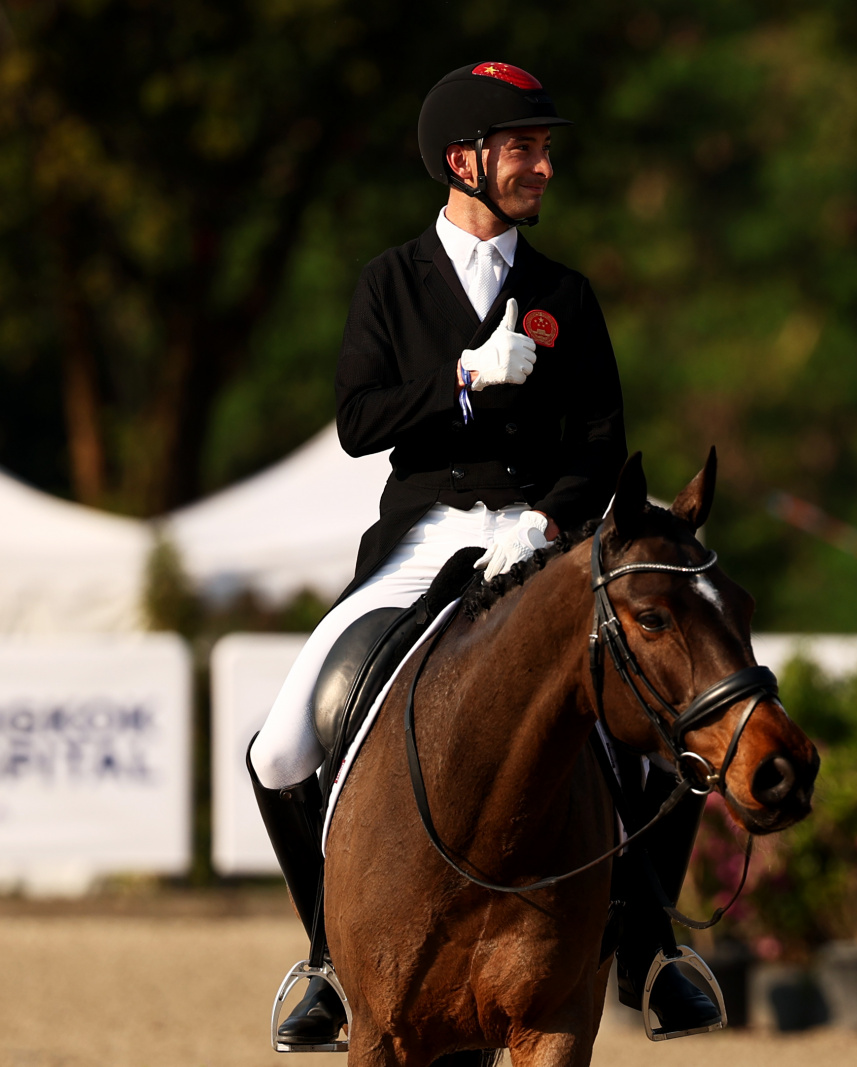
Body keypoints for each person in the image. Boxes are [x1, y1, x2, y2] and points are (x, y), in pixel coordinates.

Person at [248, 61, 721, 1049]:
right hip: (423, 536)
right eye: (525, 148)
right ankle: (328, 962)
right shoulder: (390, 282)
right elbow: (356, 418)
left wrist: (549, 523)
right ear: (463, 160)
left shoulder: (567, 296)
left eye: (545, 149)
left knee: (659, 737)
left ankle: (650, 952)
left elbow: (602, 445)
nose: (543, 165)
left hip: (546, 538)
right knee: (281, 743)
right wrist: (461, 381)